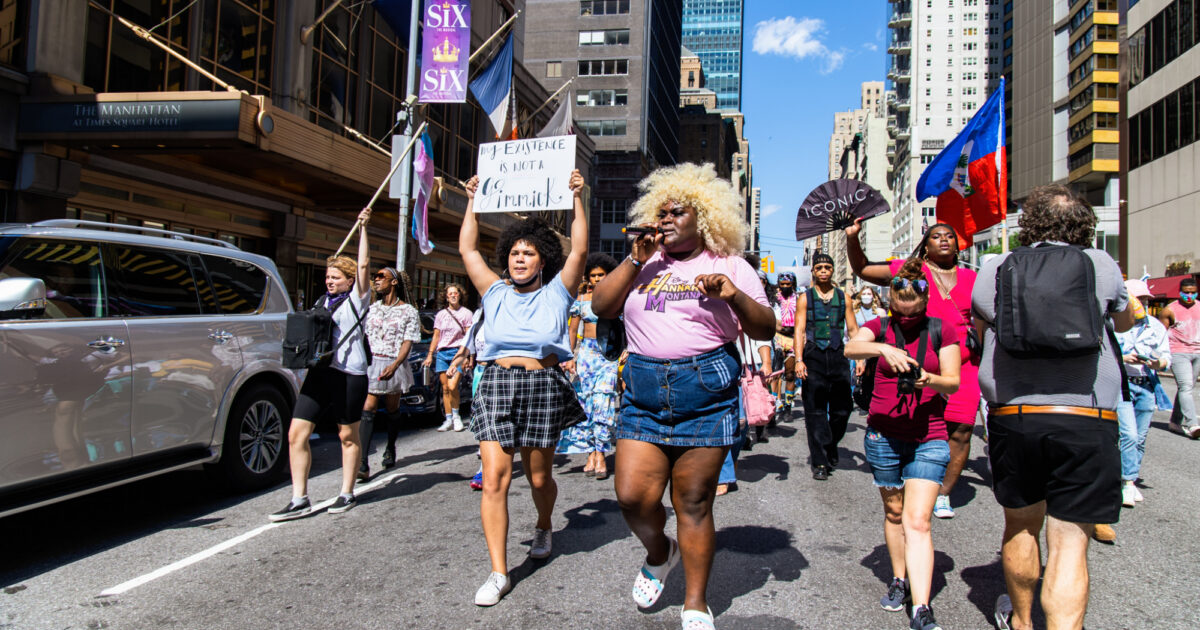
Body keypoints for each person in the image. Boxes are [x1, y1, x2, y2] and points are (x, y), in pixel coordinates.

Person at [592, 162, 775, 630]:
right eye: (662, 211)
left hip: (705, 389)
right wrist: (634, 258)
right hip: (645, 390)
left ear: (705, 218)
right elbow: (601, 306)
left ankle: (696, 601)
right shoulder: (644, 262)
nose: (667, 219)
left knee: (692, 502)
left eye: (677, 212)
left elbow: (765, 327)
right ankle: (660, 552)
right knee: (632, 496)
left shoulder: (728, 265)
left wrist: (732, 295)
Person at [972, 185, 1134, 630]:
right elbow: (1121, 319)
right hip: (1086, 417)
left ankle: (1022, 623)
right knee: (1069, 543)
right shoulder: (1100, 264)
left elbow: (981, 322)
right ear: (1084, 223)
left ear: (1030, 223)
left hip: (1015, 417)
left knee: (1021, 527)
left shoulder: (996, 267)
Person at [458, 170, 589, 607]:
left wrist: (577, 198)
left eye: (528, 253)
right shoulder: (492, 291)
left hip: (542, 385)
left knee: (538, 477)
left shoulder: (557, 293)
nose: (518, 259)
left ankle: (544, 523)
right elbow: (466, 248)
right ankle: (498, 572)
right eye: (514, 252)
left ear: (543, 260)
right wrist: (473, 201)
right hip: (496, 383)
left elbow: (582, 249)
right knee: (494, 478)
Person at [845, 260, 961, 630]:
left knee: (919, 521)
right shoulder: (879, 325)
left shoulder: (942, 330)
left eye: (914, 307)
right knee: (895, 513)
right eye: (900, 306)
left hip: (929, 434)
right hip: (883, 435)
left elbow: (954, 382)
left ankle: (922, 607)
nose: (907, 313)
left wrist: (929, 379)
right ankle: (899, 579)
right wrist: (882, 349)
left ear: (925, 301)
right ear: (891, 301)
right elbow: (850, 348)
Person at [847, 220, 979, 519]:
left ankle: (942, 493)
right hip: (915, 358)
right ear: (926, 244)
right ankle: (915, 476)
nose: (944, 240)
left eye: (950, 235)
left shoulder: (973, 278)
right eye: (936, 236)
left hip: (965, 363)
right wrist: (853, 239)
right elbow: (863, 269)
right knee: (919, 421)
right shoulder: (910, 270)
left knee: (961, 428)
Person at [270, 208, 373, 521]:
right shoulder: (320, 302)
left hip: (348, 375)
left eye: (336, 277)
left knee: (347, 436)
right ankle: (299, 497)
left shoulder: (358, 299)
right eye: (327, 276)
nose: (329, 281)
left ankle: (346, 492)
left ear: (349, 280)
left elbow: (365, 265)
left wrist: (363, 229)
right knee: (296, 434)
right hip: (320, 372)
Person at [794, 252, 859, 480]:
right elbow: (799, 330)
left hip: (838, 355)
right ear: (813, 271)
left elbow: (852, 330)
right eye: (819, 267)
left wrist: (860, 358)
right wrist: (799, 359)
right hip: (813, 356)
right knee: (815, 412)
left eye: (827, 267)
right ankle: (820, 462)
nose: (823, 271)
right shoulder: (805, 298)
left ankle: (830, 444)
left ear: (832, 271)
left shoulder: (844, 298)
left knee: (843, 409)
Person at [557, 253, 621, 479]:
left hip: (608, 357)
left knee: (603, 402)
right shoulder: (581, 300)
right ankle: (589, 452)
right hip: (585, 356)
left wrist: (626, 353)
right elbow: (572, 331)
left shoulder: (617, 298)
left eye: (601, 275)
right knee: (586, 406)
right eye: (593, 275)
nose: (597, 279)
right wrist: (568, 356)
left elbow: (627, 328)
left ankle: (601, 453)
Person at [357, 267, 421, 480]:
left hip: (393, 362)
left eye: (380, 277)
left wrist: (394, 365)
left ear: (394, 282)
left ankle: (391, 446)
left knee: (392, 407)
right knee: (369, 406)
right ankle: (363, 462)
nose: (376, 280)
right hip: (372, 361)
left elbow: (407, 341)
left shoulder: (408, 311)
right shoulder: (372, 308)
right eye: (374, 277)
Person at [1115, 279, 1171, 509]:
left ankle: (1130, 477)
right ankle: (1127, 482)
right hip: (1122, 385)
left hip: (1147, 385)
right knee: (1128, 434)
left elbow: (1166, 358)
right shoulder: (1114, 324)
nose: (1143, 305)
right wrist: (1123, 357)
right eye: (1139, 300)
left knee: (1140, 437)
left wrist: (1158, 363)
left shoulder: (1155, 326)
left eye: (1147, 301)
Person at [423, 283, 473, 432]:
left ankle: (457, 417)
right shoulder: (441, 314)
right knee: (445, 388)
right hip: (442, 353)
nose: (453, 295)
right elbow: (436, 336)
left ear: (460, 295)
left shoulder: (466, 314)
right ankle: (448, 418)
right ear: (446, 296)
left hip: (457, 353)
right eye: (450, 293)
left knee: (453, 386)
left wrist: (467, 357)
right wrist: (430, 355)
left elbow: (469, 337)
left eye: (455, 293)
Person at [1159, 277, 1200, 438]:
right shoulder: (1169, 310)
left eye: (1193, 293)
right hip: (1178, 352)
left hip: (1197, 352)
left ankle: (1175, 422)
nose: (1189, 296)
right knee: (1185, 386)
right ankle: (1192, 424)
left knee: (1187, 388)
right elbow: (1161, 334)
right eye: (1186, 293)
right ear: (1180, 292)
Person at [773, 271, 800, 417]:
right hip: (778, 337)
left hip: (793, 338)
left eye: (787, 284)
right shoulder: (775, 299)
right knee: (776, 373)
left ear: (793, 284)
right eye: (782, 284)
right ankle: (777, 403)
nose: (784, 286)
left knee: (790, 374)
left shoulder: (800, 298)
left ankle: (788, 404)